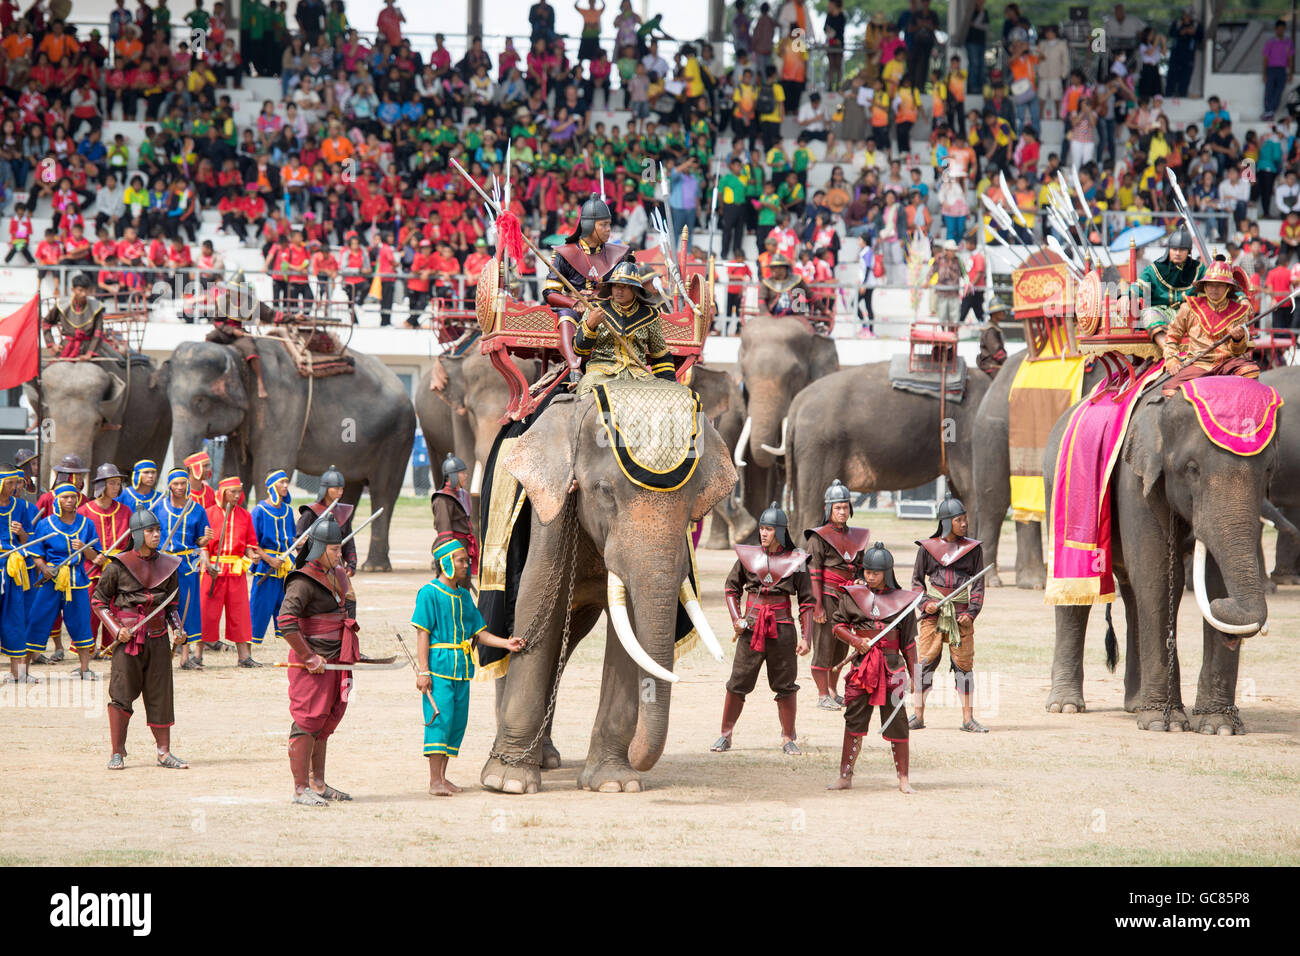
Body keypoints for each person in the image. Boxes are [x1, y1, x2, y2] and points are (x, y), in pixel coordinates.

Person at [413, 537, 522, 795]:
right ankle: (434, 782)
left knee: (455, 723)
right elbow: (422, 633)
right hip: (438, 669)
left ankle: (443, 777)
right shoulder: (428, 593)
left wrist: (507, 644)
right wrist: (423, 671)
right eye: (462, 561)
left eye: (467, 560)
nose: (466, 565)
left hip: (462, 670)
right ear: (446, 563)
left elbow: (479, 633)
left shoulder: (463, 596)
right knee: (440, 720)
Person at [711, 501, 812, 755]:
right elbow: (730, 588)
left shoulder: (796, 560)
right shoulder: (748, 557)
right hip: (751, 627)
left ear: (779, 532)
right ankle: (725, 734)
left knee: (786, 685)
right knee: (737, 683)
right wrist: (737, 618)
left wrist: (806, 637)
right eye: (762, 529)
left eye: (768, 529)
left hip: (782, 628)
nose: (763, 533)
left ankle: (788, 737)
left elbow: (807, 600)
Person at [93, 507, 188, 769]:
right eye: (150, 530)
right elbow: (99, 602)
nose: (156, 534)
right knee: (121, 693)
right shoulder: (117, 566)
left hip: (158, 639)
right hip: (128, 639)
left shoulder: (169, 566)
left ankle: (164, 752)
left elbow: (171, 605)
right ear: (137, 534)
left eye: (158, 530)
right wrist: (116, 629)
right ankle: (117, 752)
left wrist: (177, 630)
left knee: (161, 694)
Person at [277, 515, 359, 805]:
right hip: (312, 665)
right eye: (335, 549)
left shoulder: (337, 574)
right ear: (320, 547)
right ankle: (301, 789)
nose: (340, 555)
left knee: (326, 720)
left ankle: (319, 783)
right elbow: (286, 621)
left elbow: (348, 606)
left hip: (338, 661)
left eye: (340, 549)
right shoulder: (302, 581)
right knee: (308, 720)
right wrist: (309, 657)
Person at [827, 542, 920, 792]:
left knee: (897, 721)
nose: (870, 576)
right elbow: (837, 626)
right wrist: (856, 641)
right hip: (862, 668)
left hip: (892, 668)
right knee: (854, 719)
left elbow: (909, 644)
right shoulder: (852, 595)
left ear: (887, 572)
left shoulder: (903, 602)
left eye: (875, 572)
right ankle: (845, 776)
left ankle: (903, 778)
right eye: (867, 571)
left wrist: (917, 678)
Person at [910, 492, 987, 732]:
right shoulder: (927, 549)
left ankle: (967, 719)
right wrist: (925, 604)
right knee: (924, 664)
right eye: (958, 520)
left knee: (964, 667)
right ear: (946, 522)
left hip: (961, 615)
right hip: (933, 616)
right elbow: (916, 583)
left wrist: (971, 613)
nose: (964, 523)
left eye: (965, 519)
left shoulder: (973, 549)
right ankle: (918, 716)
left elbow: (978, 585)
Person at [544, 194, 636, 382]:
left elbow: (628, 289)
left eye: (609, 224)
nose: (608, 229)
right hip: (574, 311)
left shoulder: (618, 254)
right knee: (566, 315)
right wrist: (574, 302)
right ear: (588, 225)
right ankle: (575, 367)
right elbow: (550, 292)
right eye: (603, 225)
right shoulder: (564, 253)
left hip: (607, 310)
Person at [804, 478, 871, 709]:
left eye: (845, 507)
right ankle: (822, 694)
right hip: (827, 596)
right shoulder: (817, 537)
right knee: (823, 644)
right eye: (838, 507)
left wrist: (860, 578)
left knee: (841, 646)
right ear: (829, 509)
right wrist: (817, 605)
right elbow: (814, 573)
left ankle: (832, 690)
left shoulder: (857, 536)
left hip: (848, 599)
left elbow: (860, 566)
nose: (842, 512)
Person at [27, 482, 104, 680]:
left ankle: (84, 668)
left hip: (77, 579)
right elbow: (36, 552)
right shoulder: (45, 524)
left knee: (80, 621)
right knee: (38, 618)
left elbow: (95, 556)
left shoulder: (86, 524)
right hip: (51, 580)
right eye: (65, 497)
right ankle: (22, 671)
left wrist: (84, 547)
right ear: (57, 500)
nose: (70, 501)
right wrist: (44, 569)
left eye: (73, 497)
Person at [571, 260, 677, 395]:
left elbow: (661, 356)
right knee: (587, 394)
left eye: (624, 286)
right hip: (601, 374)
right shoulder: (595, 310)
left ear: (635, 289)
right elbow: (579, 350)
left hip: (638, 376)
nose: (619, 291)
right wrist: (590, 325)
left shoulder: (650, 315)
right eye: (615, 286)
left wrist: (670, 387)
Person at [1161, 259, 1260, 396]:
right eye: (1210, 285)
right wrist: (1172, 360)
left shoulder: (1239, 311)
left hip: (1227, 362)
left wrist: (1238, 340)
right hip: (1198, 363)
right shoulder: (1189, 307)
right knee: (1170, 390)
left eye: (1219, 285)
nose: (1214, 289)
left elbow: (1238, 351)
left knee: (1250, 370)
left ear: (1228, 288)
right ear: (1204, 287)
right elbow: (1172, 335)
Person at [201, 475, 260, 666]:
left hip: (236, 571)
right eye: (232, 492)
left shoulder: (245, 515)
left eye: (238, 492)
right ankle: (198, 654)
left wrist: (252, 555)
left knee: (240, 613)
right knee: (207, 612)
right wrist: (208, 565)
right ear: (223, 493)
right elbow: (203, 546)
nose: (236, 496)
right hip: (213, 571)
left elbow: (250, 544)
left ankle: (243, 657)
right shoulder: (208, 513)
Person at [156, 466, 212, 669]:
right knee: (160, 607)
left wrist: (204, 540)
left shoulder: (197, 509)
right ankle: (159, 656)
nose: (180, 487)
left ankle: (185, 658)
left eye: (183, 483)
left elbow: (200, 540)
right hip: (162, 565)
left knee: (187, 607)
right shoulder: (158, 508)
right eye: (176, 483)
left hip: (187, 565)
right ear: (169, 485)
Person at [78, 463, 135, 650]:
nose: (116, 487)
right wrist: (93, 556)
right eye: (112, 483)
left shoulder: (125, 511)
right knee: (92, 607)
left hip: (119, 567)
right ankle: (88, 646)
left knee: (116, 607)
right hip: (92, 568)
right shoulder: (84, 511)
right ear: (101, 485)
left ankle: (112, 646)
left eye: (118, 483)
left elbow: (131, 541)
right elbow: (79, 541)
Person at [0, 466, 39, 684]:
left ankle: (19, 672)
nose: (15, 488)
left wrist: (22, 533)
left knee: (17, 618)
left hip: (15, 570)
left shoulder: (24, 507)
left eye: (16, 483)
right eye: (10, 483)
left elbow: (32, 542)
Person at [1138, 227, 1206, 348]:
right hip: (1162, 314)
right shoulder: (1153, 269)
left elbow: (1218, 284)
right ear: (1169, 249)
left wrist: (1241, 298)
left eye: (1182, 250)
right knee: (1148, 313)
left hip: (1188, 315)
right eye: (1174, 249)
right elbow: (1138, 287)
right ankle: (1169, 351)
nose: (1178, 253)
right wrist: (1124, 296)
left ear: (1189, 251)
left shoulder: (1199, 269)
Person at [206, 274, 269, 397]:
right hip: (225, 332)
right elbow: (217, 322)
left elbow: (270, 314)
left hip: (240, 333)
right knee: (210, 338)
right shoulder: (223, 301)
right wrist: (231, 331)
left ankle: (260, 382)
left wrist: (292, 318)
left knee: (251, 350)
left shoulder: (249, 302)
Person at [251, 469, 294, 646]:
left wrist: (300, 542)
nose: (285, 485)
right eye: (281, 482)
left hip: (285, 568)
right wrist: (269, 559)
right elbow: (253, 543)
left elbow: (292, 538)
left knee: (287, 609)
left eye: (286, 482)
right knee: (259, 608)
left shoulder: (288, 511)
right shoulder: (259, 511)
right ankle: (247, 653)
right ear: (271, 486)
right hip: (265, 568)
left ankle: (295, 649)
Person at [294, 466, 357, 582]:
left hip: (337, 567)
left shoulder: (343, 513)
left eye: (342, 489)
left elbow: (349, 541)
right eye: (337, 488)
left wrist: (352, 564)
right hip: (314, 569)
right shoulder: (310, 513)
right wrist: (302, 543)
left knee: (348, 599)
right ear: (326, 489)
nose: (340, 492)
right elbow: (298, 540)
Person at [42, 271, 106, 359]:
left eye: (86, 291)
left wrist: (90, 353)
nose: (84, 294)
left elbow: (98, 332)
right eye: (80, 290)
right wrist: (52, 345)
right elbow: (46, 323)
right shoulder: (62, 305)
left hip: (89, 347)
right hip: (66, 346)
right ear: (73, 290)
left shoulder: (96, 307)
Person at [431, 454, 477, 575]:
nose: (466, 476)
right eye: (462, 473)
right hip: (453, 549)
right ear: (453, 475)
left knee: (463, 586)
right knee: (450, 584)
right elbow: (444, 531)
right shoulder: (442, 499)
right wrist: (452, 555)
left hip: (464, 547)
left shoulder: (463, 494)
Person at [1262, 19, 1294, 122]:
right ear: (1276, 29)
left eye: (1282, 29)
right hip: (1271, 69)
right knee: (1269, 91)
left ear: (1284, 29)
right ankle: (1267, 111)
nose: (1281, 31)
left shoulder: (1288, 42)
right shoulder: (1270, 42)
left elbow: (1290, 58)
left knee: (1279, 92)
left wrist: (1290, 73)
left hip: (1282, 70)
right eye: (1279, 29)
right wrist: (1264, 73)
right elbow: (1265, 58)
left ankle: (1270, 112)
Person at [977, 298, 1009, 377]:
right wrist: (1007, 361)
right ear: (995, 313)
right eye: (1001, 311)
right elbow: (997, 351)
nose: (1004, 313)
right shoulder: (990, 330)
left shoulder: (994, 327)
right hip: (991, 364)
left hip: (994, 362)